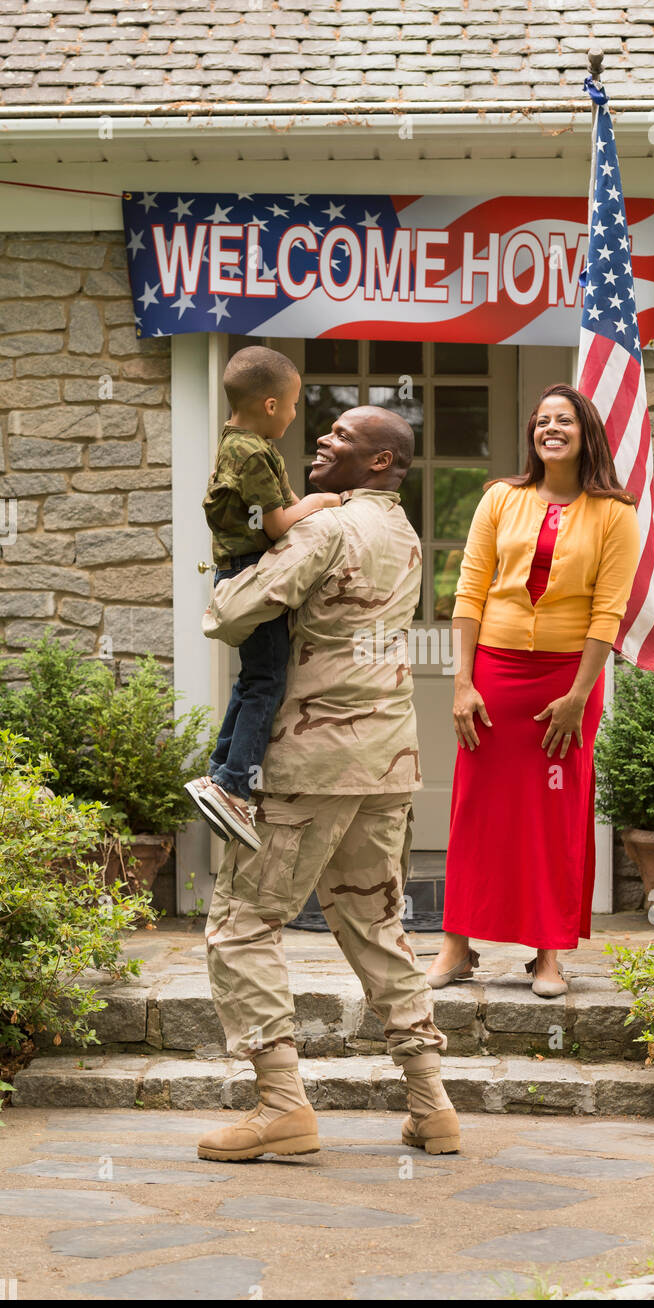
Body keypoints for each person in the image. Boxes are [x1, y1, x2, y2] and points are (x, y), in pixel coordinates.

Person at [195, 405, 460, 1163]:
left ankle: (281, 1107)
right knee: (377, 925)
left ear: (381, 460)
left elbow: (230, 614)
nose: (322, 439)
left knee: (242, 924)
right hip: (386, 760)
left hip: (306, 763)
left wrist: (229, 579)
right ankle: (430, 1105)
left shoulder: (327, 528)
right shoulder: (402, 532)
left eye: (342, 436)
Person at [428, 385, 640, 997]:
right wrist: (462, 682)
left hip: (568, 681)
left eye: (564, 420)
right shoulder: (501, 498)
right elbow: (468, 592)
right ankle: (456, 946)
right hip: (494, 675)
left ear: (586, 432)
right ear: (532, 434)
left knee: (555, 811)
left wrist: (578, 695)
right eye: (542, 421)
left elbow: (609, 612)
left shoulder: (616, 512)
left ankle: (547, 955)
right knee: (475, 809)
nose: (551, 428)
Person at [185, 345, 341, 850]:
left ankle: (218, 773)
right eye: (293, 405)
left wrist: (310, 508)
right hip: (252, 573)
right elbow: (277, 523)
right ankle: (233, 785)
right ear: (270, 405)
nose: (297, 415)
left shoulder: (246, 444)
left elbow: (285, 506)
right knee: (267, 682)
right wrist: (320, 502)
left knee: (254, 679)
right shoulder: (251, 451)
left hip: (245, 569)